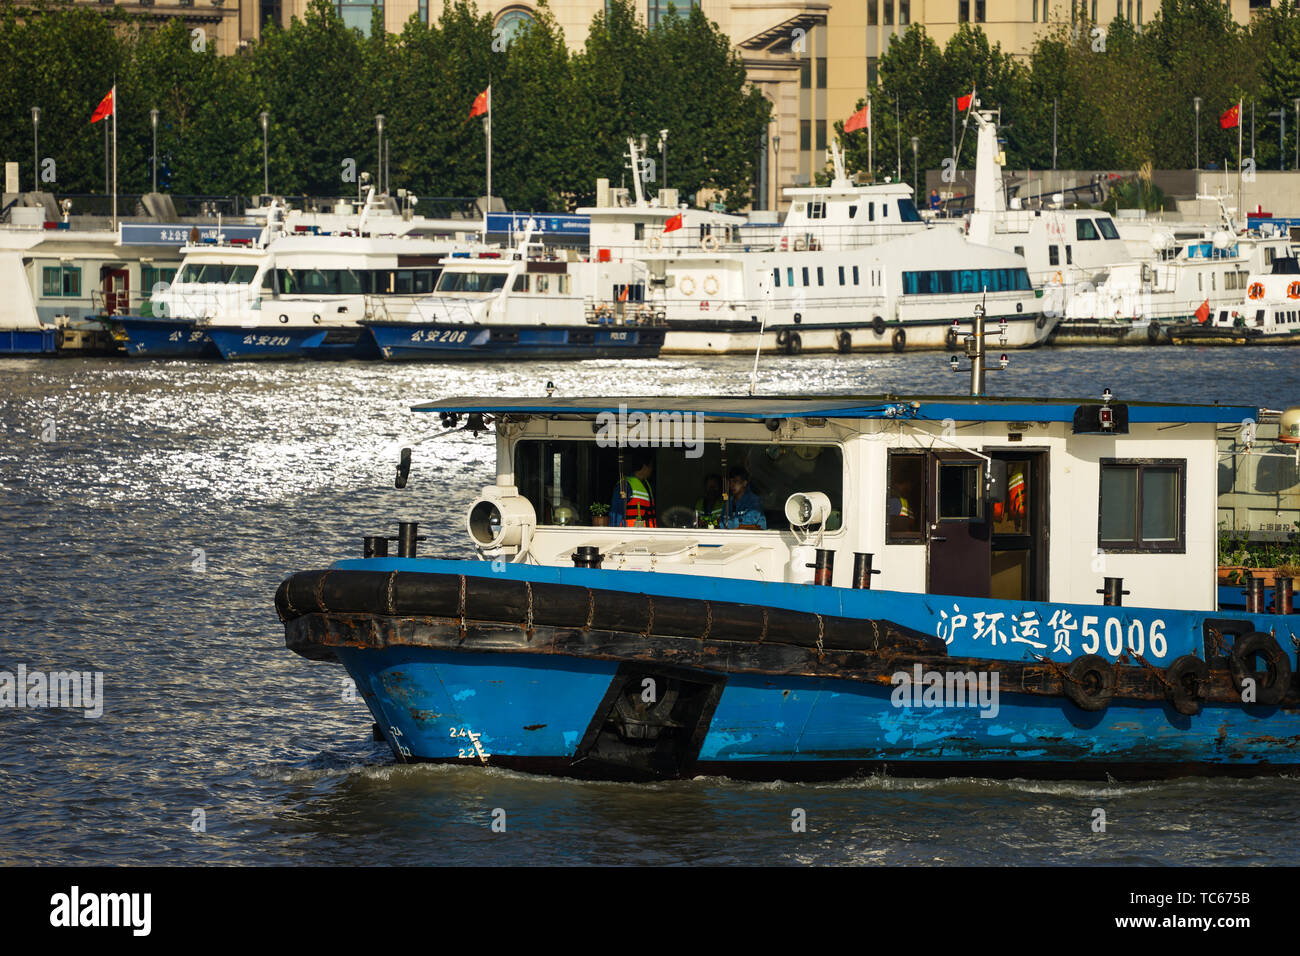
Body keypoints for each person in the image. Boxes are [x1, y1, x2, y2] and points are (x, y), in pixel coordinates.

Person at [611, 452, 656, 527]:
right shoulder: (625, 485)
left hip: (647, 536)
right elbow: (615, 515)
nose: (652, 470)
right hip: (630, 536)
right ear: (645, 467)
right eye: (651, 466)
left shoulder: (647, 485)